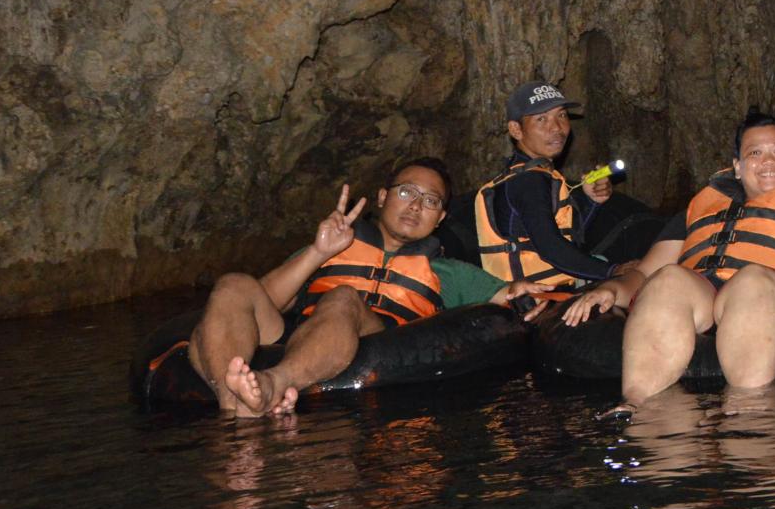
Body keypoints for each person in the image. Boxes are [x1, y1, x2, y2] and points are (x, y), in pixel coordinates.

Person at [560, 113, 775, 403]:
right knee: (668, 279)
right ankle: (638, 404)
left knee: (752, 281)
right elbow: (646, 271)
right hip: (702, 294)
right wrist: (610, 290)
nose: (769, 161)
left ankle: (750, 412)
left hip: (768, 292)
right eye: (755, 153)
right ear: (737, 166)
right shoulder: (697, 212)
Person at [188, 157, 545, 417]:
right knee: (232, 284)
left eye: (431, 201)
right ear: (381, 197)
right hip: (302, 335)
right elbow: (259, 301)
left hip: (379, 342)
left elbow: (515, 298)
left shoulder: (451, 272)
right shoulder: (333, 246)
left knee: (343, 297)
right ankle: (233, 403)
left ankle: (272, 385)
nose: (416, 205)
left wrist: (529, 294)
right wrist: (318, 253)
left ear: (440, 218)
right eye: (406, 192)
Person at [473, 81, 618, 287]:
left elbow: (571, 240)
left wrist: (591, 201)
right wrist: (614, 271)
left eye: (561, 115)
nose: (557, 128)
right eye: (542, 119)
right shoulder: (528, 181)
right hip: (536, 300)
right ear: (516, 130)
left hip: (553, 288)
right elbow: (551, 248)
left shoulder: (532, 176)